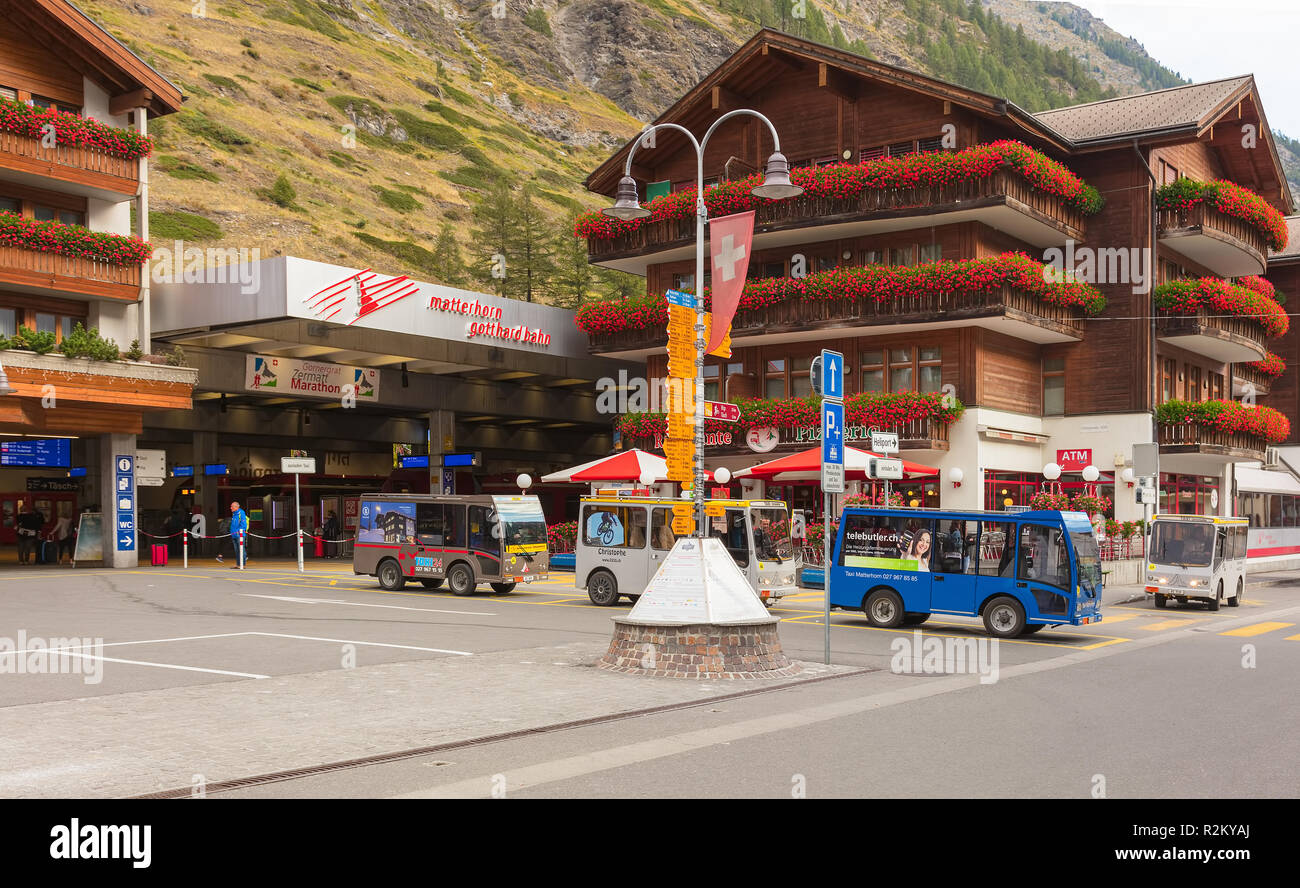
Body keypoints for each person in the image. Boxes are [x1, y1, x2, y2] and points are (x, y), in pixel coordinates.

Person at [217, 501, 249, 568]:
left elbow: (244, 525)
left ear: (236, 507)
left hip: (240, 535)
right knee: (237, 551)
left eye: (232, 506)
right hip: (234, 535)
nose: (230, 508)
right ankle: (238, 564)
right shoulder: (234, 514)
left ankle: (242, 564)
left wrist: (239, 532)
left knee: (241, 550)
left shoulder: (241, 513)